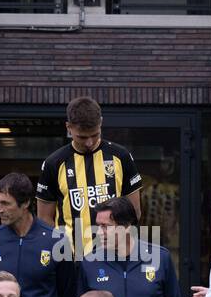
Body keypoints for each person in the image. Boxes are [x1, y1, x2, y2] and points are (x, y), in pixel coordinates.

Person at [36, 96, 143, 254]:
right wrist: (62, 252)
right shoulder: (54, 163)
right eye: (82, 137)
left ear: (100, 122)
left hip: (113, 257)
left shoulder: (121, 156)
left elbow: (135, 212)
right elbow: (44, 219)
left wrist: (122, 249)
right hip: (71, 260)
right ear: (69, 127)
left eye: (95, 134)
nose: (89, 142)